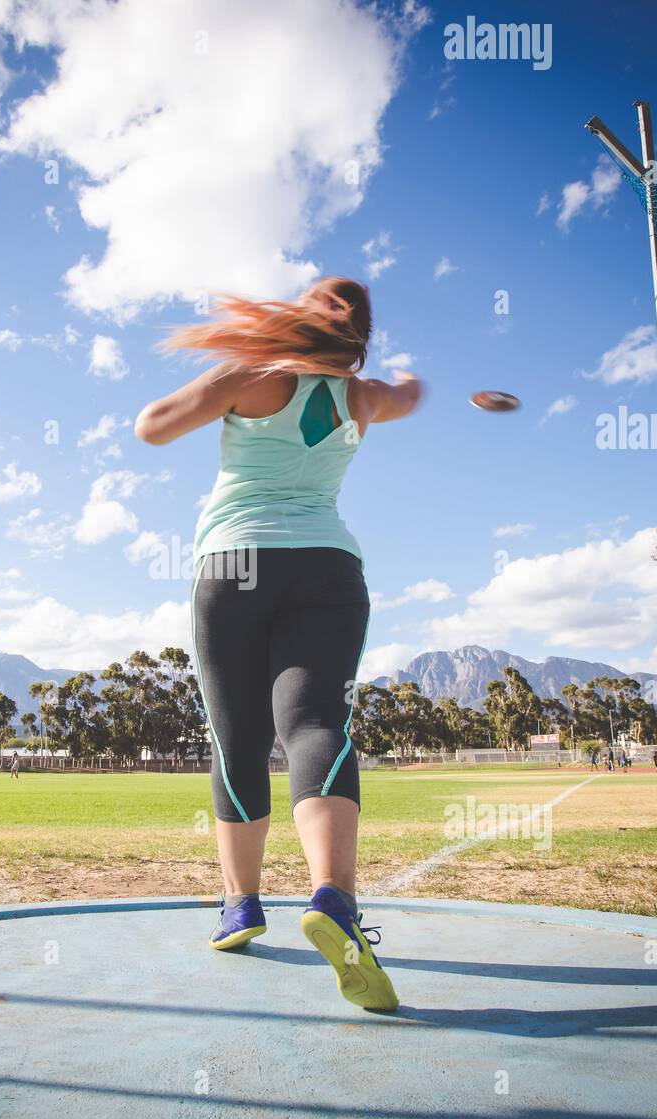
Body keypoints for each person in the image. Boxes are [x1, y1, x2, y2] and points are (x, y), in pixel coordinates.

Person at [136, 276, 421, 1013]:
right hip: (330, 563)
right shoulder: (366, 398)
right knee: (316, 722)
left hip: (235, 562)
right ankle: (334, 897)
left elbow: (153, 426)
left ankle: (241, 906)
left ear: (299, 319)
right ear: (362, 335)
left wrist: (229, 375)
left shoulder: (253, 378)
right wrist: (405, 381)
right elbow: (409, 396)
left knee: (237, 738)